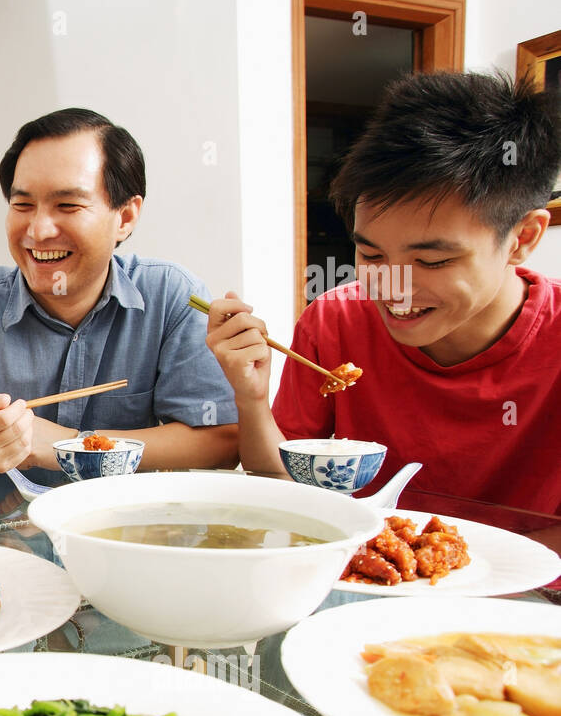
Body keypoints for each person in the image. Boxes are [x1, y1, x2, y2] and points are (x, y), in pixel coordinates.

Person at [206, 70, 561, 516]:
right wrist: (251, 397)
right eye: (371, 254)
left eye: (432, 261)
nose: (392, 286)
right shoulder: (335, 319)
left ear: (523, 237)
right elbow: (282, 481)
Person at [0, 108, 238, 511]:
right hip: (0, 543)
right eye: (23, 205)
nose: (38, 230)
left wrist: (68, 445)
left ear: (125, 216)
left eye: (67, 205)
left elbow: (219, 441)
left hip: (134, 534)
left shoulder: (172, 296)